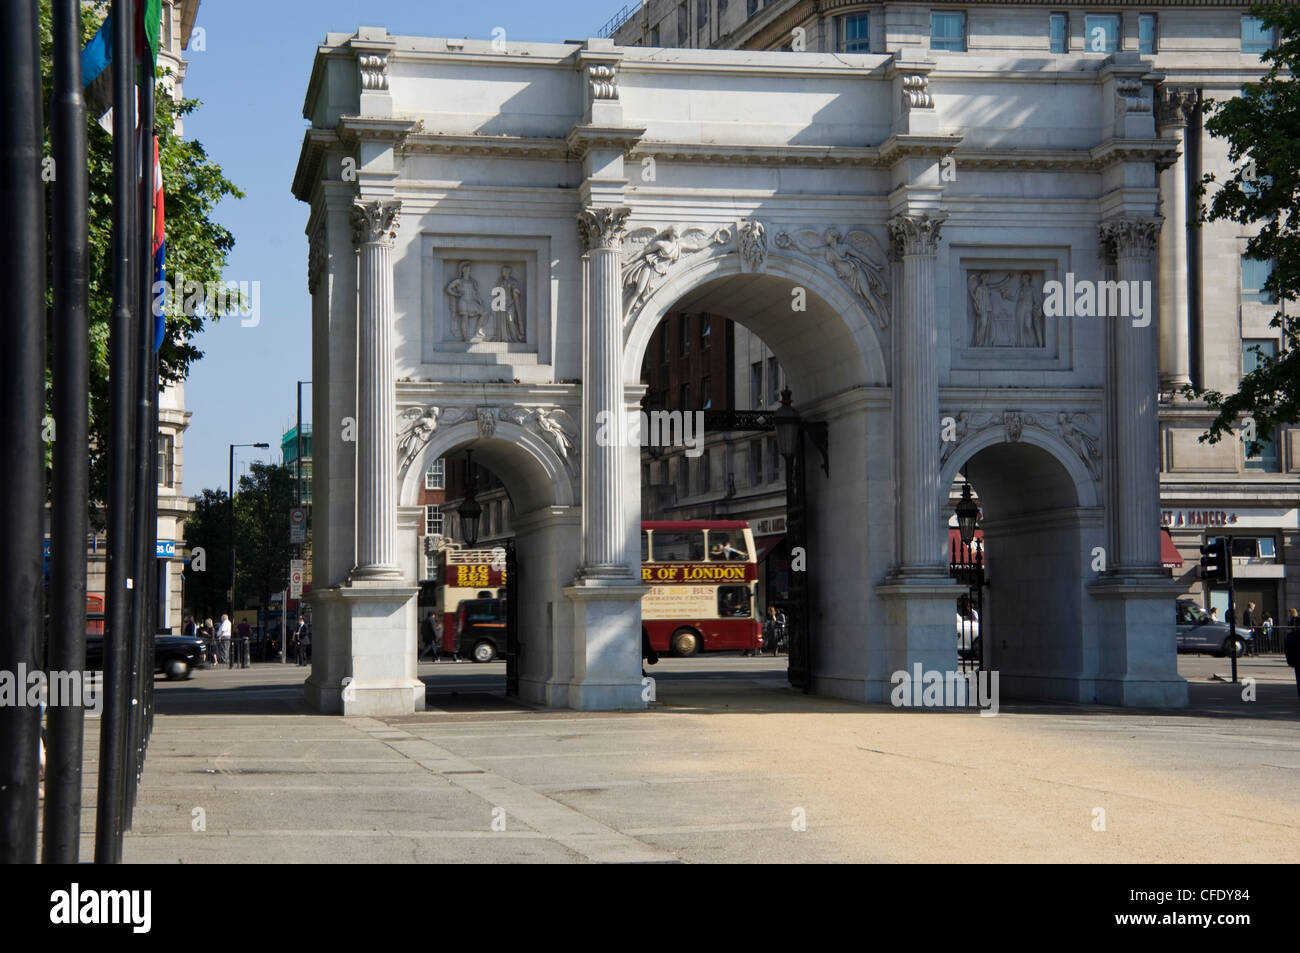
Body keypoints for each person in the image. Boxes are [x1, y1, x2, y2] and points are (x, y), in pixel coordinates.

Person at [1286, 617, 1300, 702]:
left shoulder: (1291, 636)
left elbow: (1288, 651)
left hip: (1297, 661)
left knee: (1299, 680)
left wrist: (1290, 661)